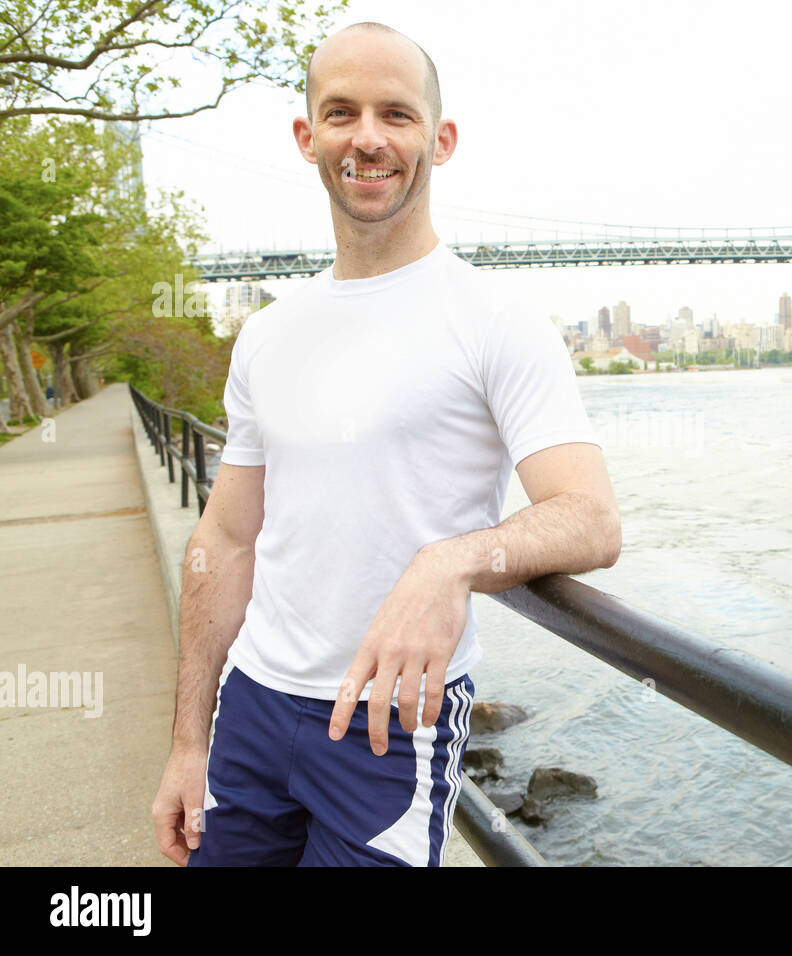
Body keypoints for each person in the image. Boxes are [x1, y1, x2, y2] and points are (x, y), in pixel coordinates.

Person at [150, 21, 620, 867]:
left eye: (396, 115)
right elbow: (224, 539)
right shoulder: (266, 333)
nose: (368, 138)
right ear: (307, 137)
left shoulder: (498, 321)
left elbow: (590, 519)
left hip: (389, 725)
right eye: (341, 112)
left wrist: (451, 562)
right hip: (250, 705)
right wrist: (189, 742)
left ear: (439, 140)